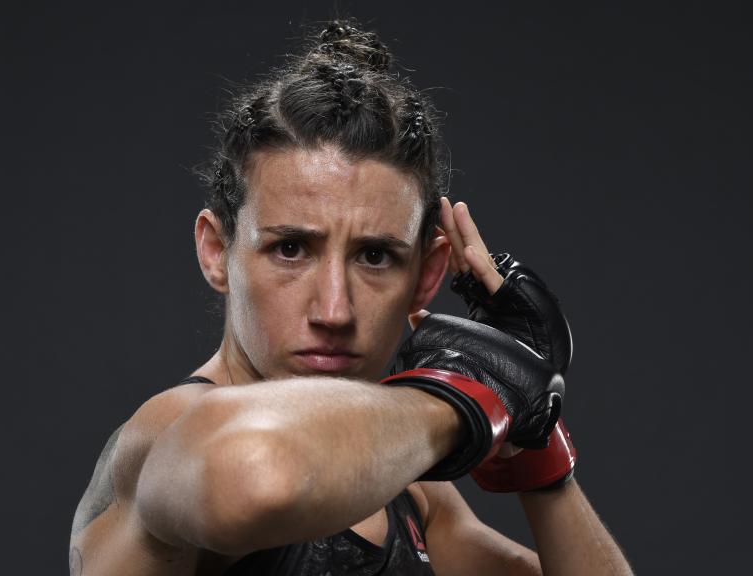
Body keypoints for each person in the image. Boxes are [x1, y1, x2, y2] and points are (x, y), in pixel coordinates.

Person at [69, 19, 633, 575]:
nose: (333, 311)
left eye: (375, 257)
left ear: (427, 273)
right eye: (291, 248)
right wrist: (467, 397)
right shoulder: (166, 434)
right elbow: (254, 475)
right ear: (217, 251)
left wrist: (533, 436)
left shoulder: (412, 492)